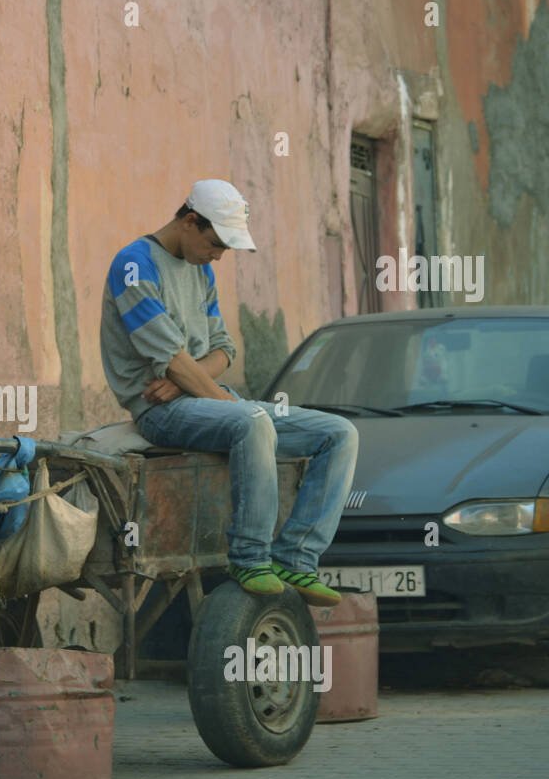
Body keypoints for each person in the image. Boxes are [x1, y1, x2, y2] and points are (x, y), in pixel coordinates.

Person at [99, 179, 358, 606]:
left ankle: (296, 557)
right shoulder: (134, 265)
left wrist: (189, 375)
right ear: (188, 221)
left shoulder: (201, 270)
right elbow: (169, 357)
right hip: (160, 413)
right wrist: (213, 393)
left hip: (203, 399)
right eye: (215, 243)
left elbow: (223, 350)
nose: (218, 255)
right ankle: (250, 557)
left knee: (341, 434)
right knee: (253, 421)